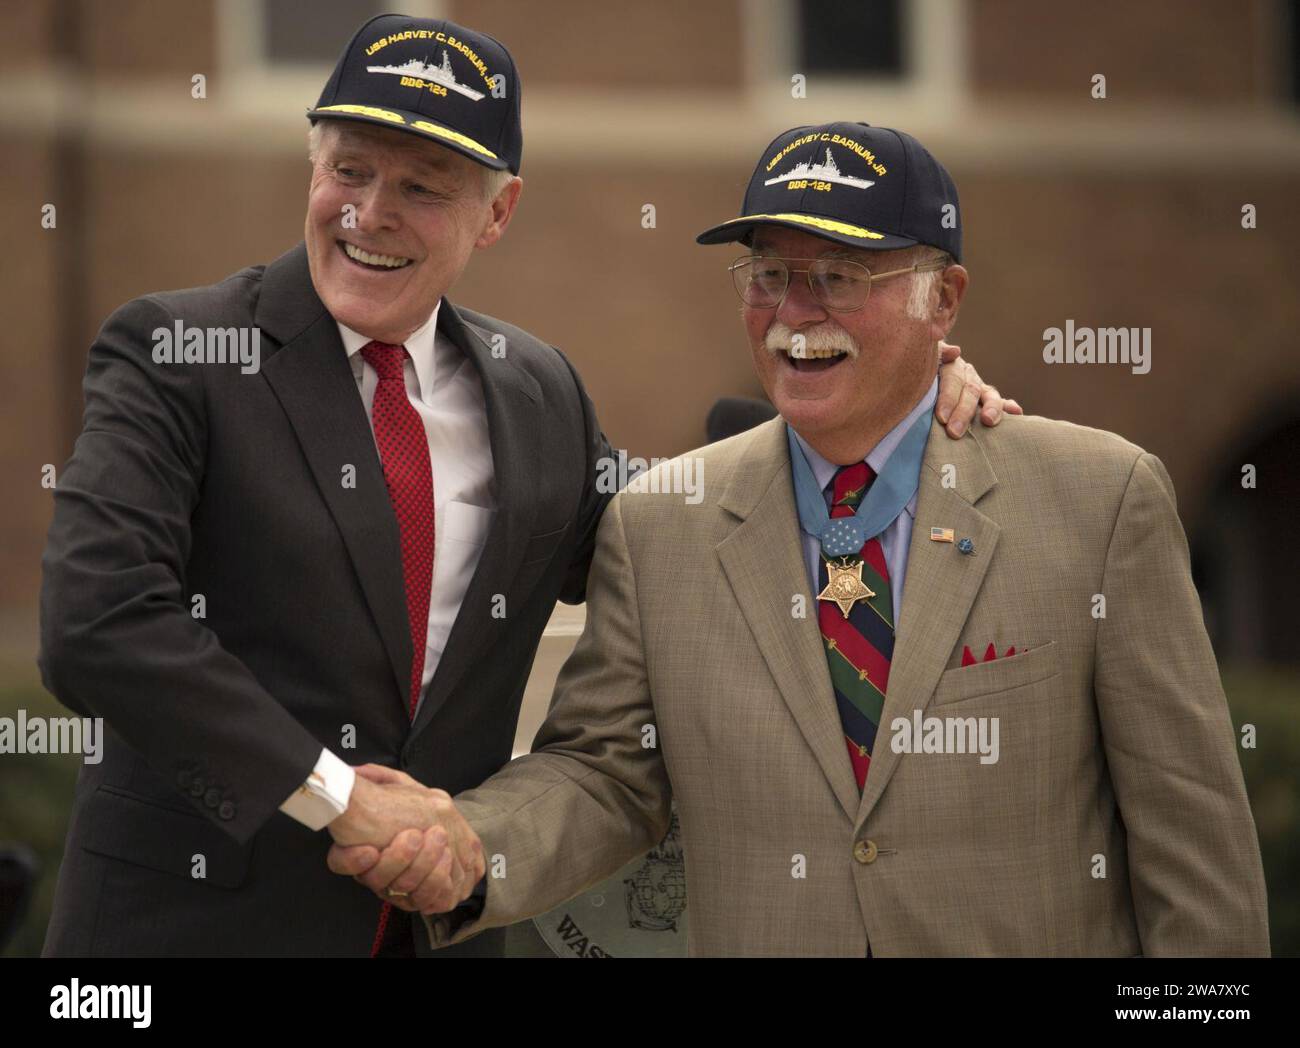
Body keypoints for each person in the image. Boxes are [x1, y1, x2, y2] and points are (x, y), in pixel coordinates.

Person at [36, 11, 1008, 959]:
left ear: (496, 213)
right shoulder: (181, 355)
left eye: (423, 187)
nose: (370, 213)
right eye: (349, 170)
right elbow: (99, 622)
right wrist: (339, 793)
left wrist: (892, 400)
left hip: (439, 934)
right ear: (313, 164)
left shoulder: (534, 391)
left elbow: (682, 523)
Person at [336, 121, 1270, 957]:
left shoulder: (1100, 500)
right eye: (771, 276)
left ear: (943, 301)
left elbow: (1195, 851)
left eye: (840, 278)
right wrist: (466, 842)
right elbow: (607, 775)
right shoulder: (661, 524)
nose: (795, 313)